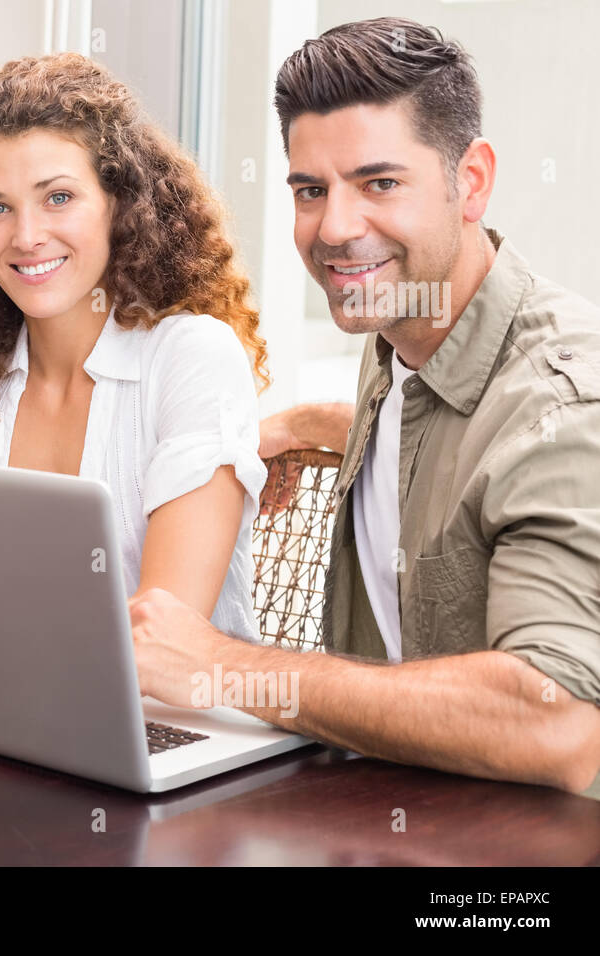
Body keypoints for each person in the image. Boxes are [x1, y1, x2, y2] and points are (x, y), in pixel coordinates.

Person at [134, 18, 600, 794]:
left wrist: (226, 669)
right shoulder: (399, 323)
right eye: (311, 191)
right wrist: (306, 426)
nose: (338, 229)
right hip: (387, 811)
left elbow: (560, 723)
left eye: (379, 183)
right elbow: (459, 440)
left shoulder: (566, 406)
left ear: (472, 181)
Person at [0, 53, 270, 639]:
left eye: (59, 197)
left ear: (119, 202)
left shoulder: (191, 356)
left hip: (171, 721)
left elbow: (164, 636)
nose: (26, 236)